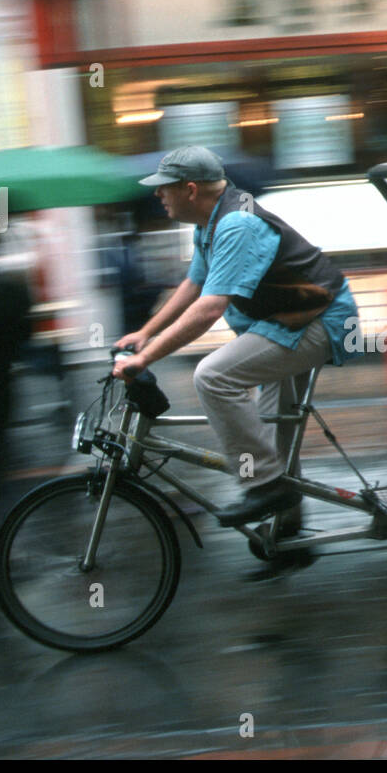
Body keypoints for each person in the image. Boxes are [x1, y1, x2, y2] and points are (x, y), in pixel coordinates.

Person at [113, 147, 358, 528]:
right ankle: (287, 532)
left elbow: (209, 308)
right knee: (272, 432)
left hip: (320, 320)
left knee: (213, 376)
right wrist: (146, 333)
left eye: (164, 188)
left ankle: (264, 485)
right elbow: (194, 283)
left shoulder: (235, 224)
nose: (157, 195)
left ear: (190, 189)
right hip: (284, 321)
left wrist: (146, 358)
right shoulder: (208, 222)